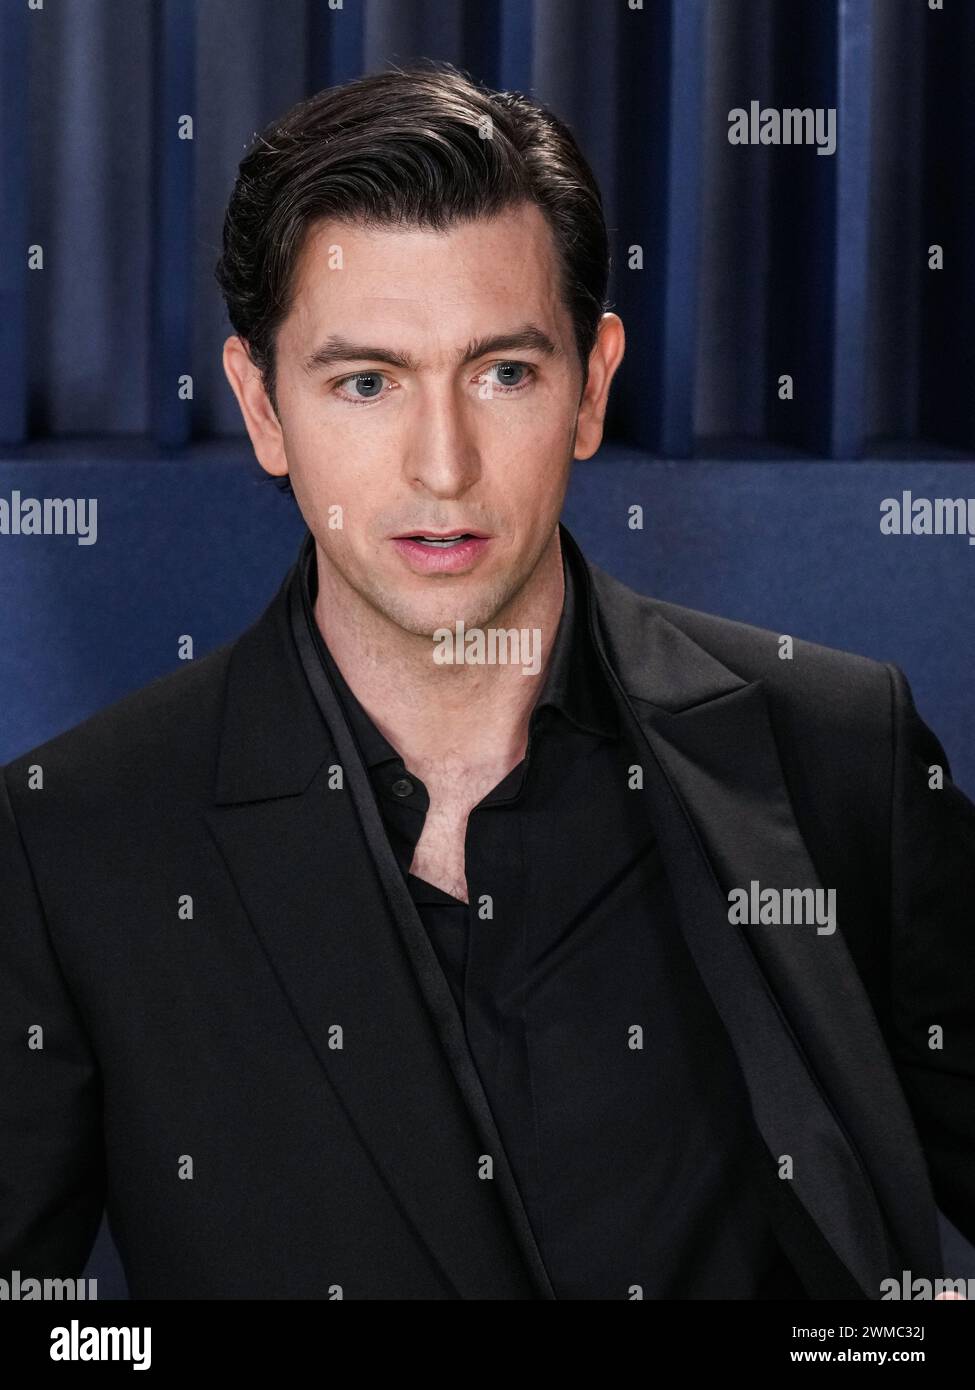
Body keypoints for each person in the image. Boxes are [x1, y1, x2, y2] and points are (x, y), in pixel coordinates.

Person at [1, 61, 972, 1301]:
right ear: (261, 408)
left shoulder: (840, 754)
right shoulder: (72, 838)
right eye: (367, 381)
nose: (442, 464)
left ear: (592, 383)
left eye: (503, 372)